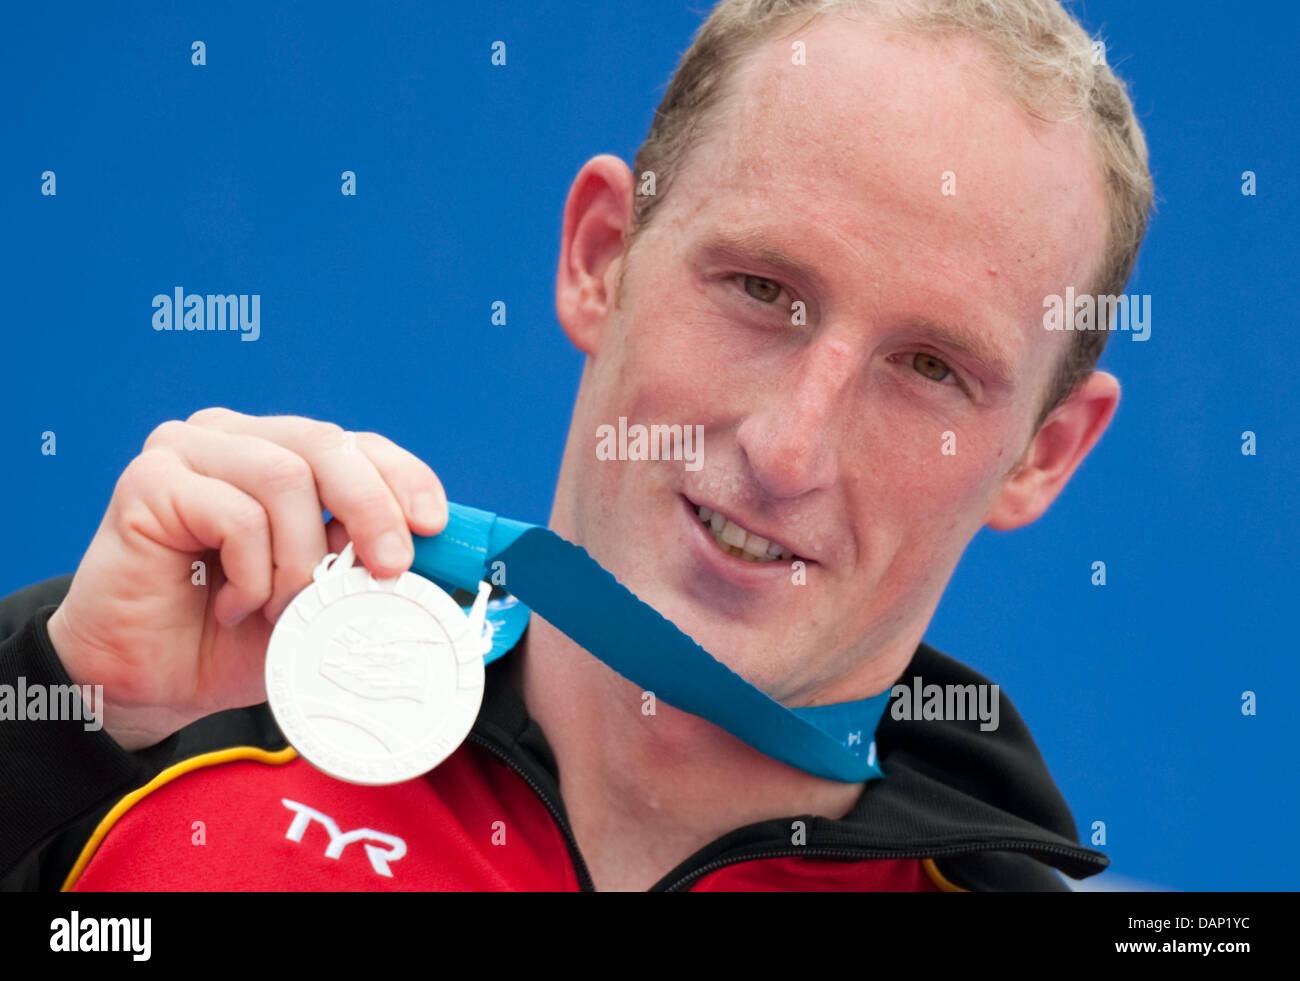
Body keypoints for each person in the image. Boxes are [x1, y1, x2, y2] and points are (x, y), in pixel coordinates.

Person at [0, 0, 1152, 892]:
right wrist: (54, 724)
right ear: (601, 256)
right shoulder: (153, 716)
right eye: (760, 289)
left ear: (1042, 454)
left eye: (931, 369)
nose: (789, 451)